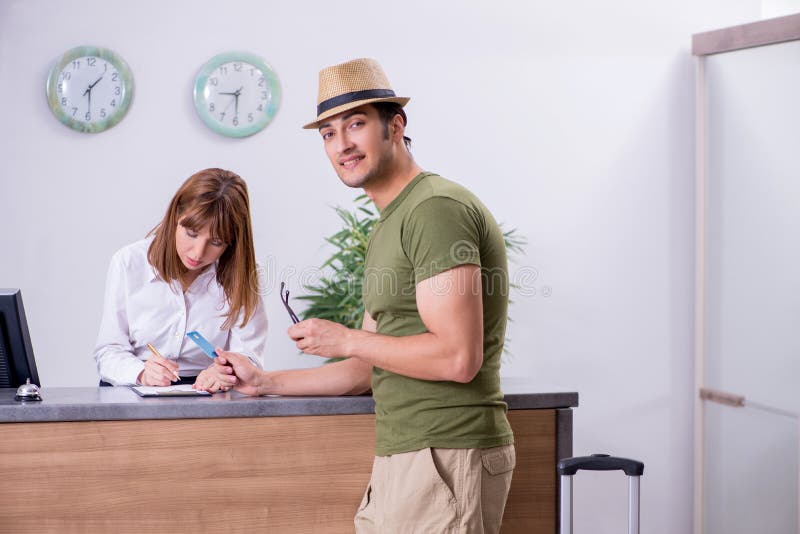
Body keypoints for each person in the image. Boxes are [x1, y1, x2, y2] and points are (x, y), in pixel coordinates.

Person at [217, 58, 514, 533]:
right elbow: (363, 371)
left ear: (395, 126)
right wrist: (264, 382)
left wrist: (348, 338)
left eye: (355, 124)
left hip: (444, 454)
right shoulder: (390, 225)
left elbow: (459, 357)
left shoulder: (434, 210)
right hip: (409, 457)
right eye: (329, 133)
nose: (342, 145)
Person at [94, 168, 267, 392]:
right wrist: (141, 372)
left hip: (208, 394)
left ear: (232, 242)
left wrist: (226, 371)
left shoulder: (245, 274)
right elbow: (108, 351)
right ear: (175, 217)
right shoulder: (129, 262)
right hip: (133, 389)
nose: (197, 253)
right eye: (192, 234)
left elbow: (250, 356)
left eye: (216, 242)